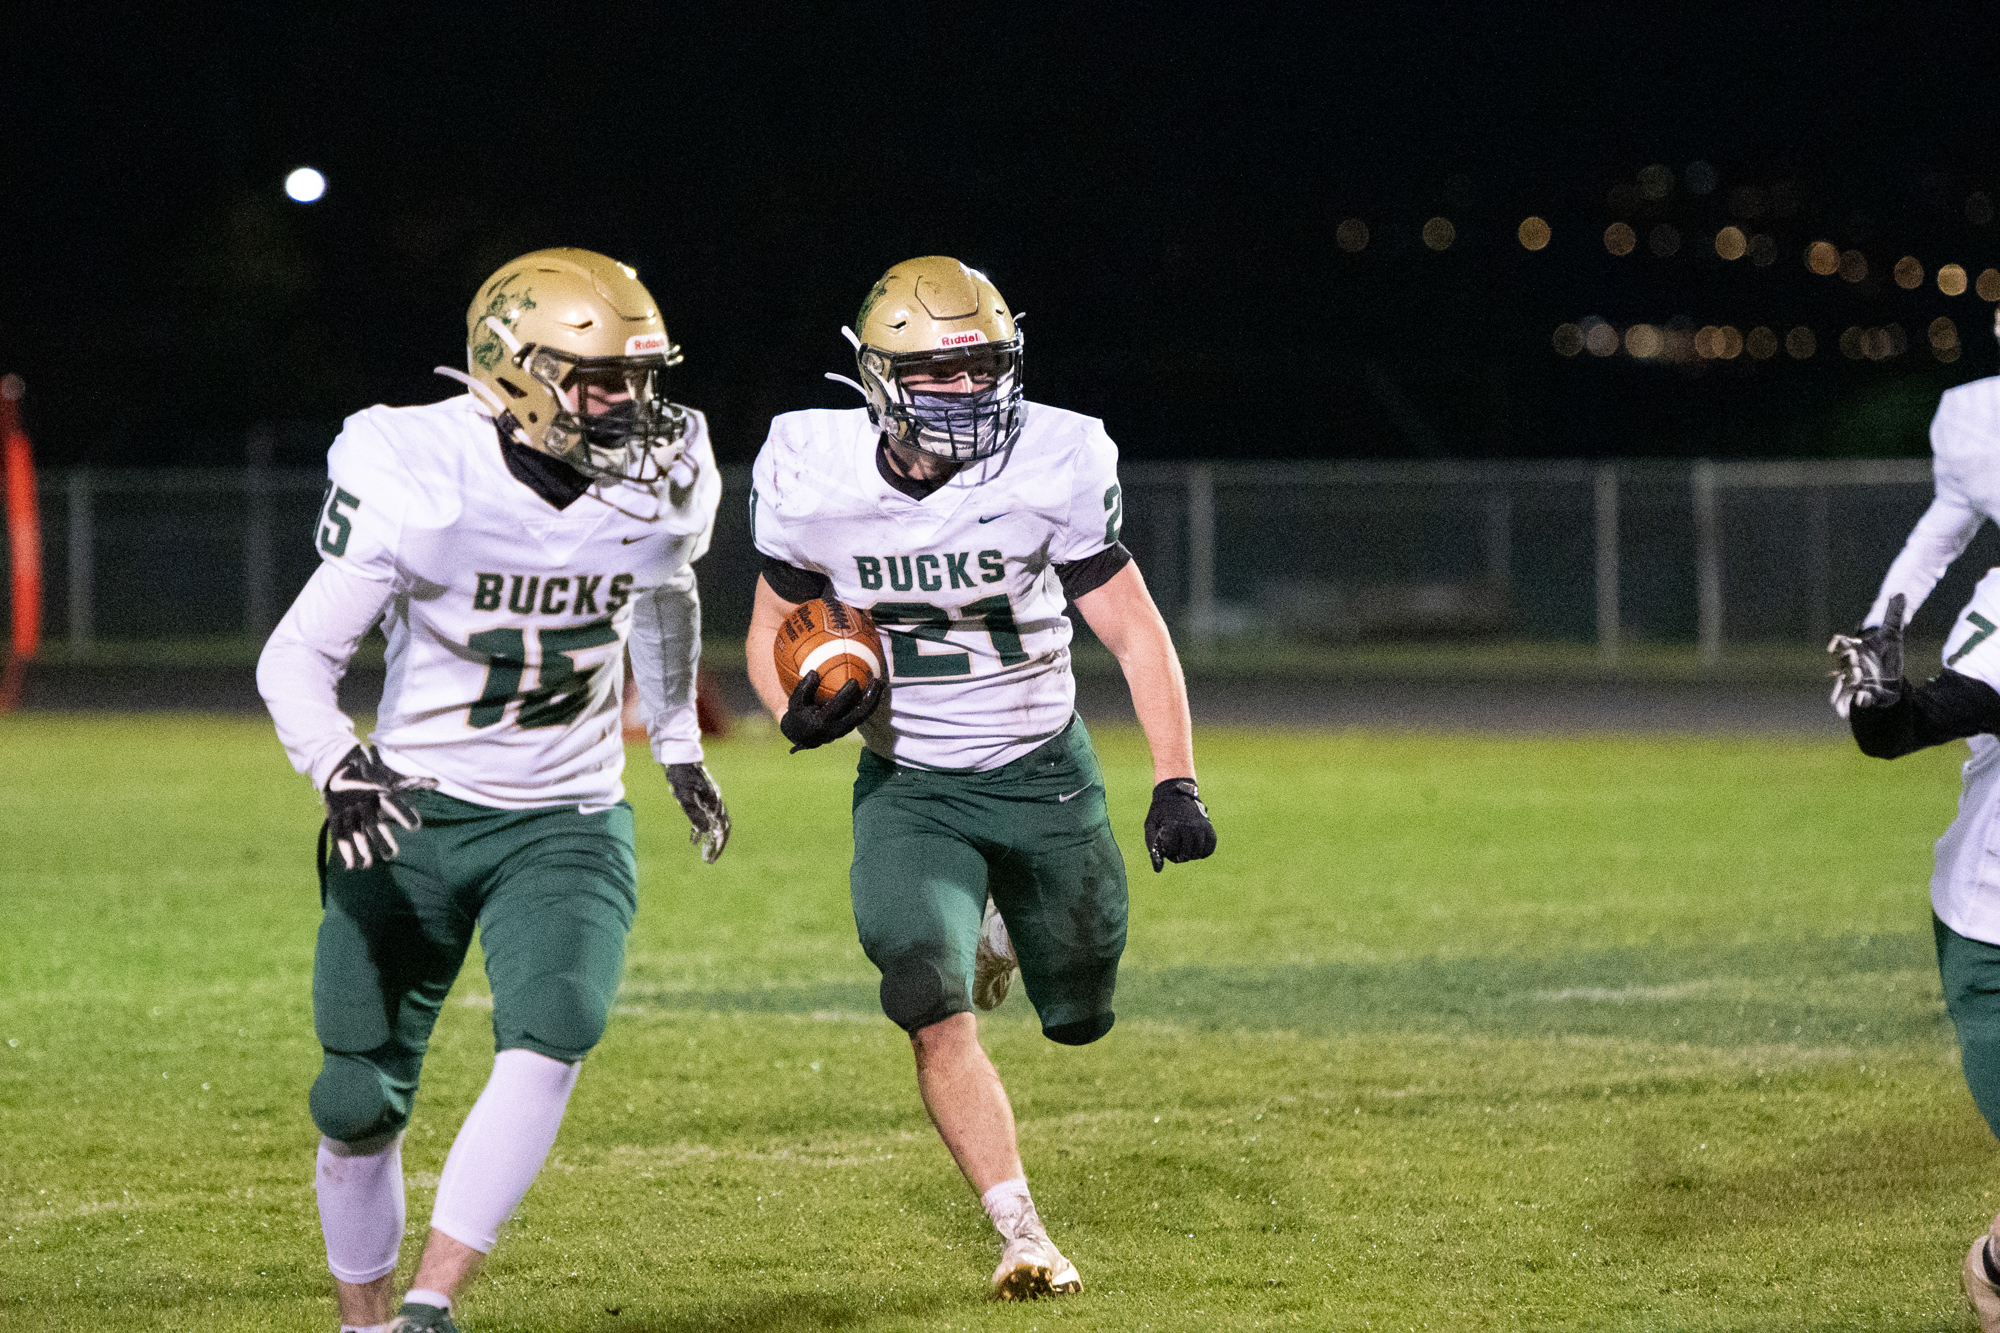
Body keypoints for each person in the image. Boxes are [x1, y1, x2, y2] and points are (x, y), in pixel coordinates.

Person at [257, 247, 729, 1333]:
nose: (631, 406)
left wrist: (676, 743)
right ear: (515, 372)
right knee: (355, 1101)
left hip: (566, 815)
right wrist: (337, 763)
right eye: (599, 380)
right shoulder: (420, 469)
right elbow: (296, 656)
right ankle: (365, 1322)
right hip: (411, 808)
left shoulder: (664, 469)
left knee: (557, 1021)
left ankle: (431, 1303)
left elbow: (663, 590)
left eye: (640, 378)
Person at [744, 256, 1217, 1300]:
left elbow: (1135, 632)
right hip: (910, 782)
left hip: (1043, 769)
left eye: (984, 368)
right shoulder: (812, 469)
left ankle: (1003, 932)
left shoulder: (1054, 457)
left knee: (1079, 1012)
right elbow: (772, 624)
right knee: (925, 989)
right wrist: (792, 706)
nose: (968, 391)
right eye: (940, 373)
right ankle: (1022, 1233)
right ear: (877, 377)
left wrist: (1174, 780)